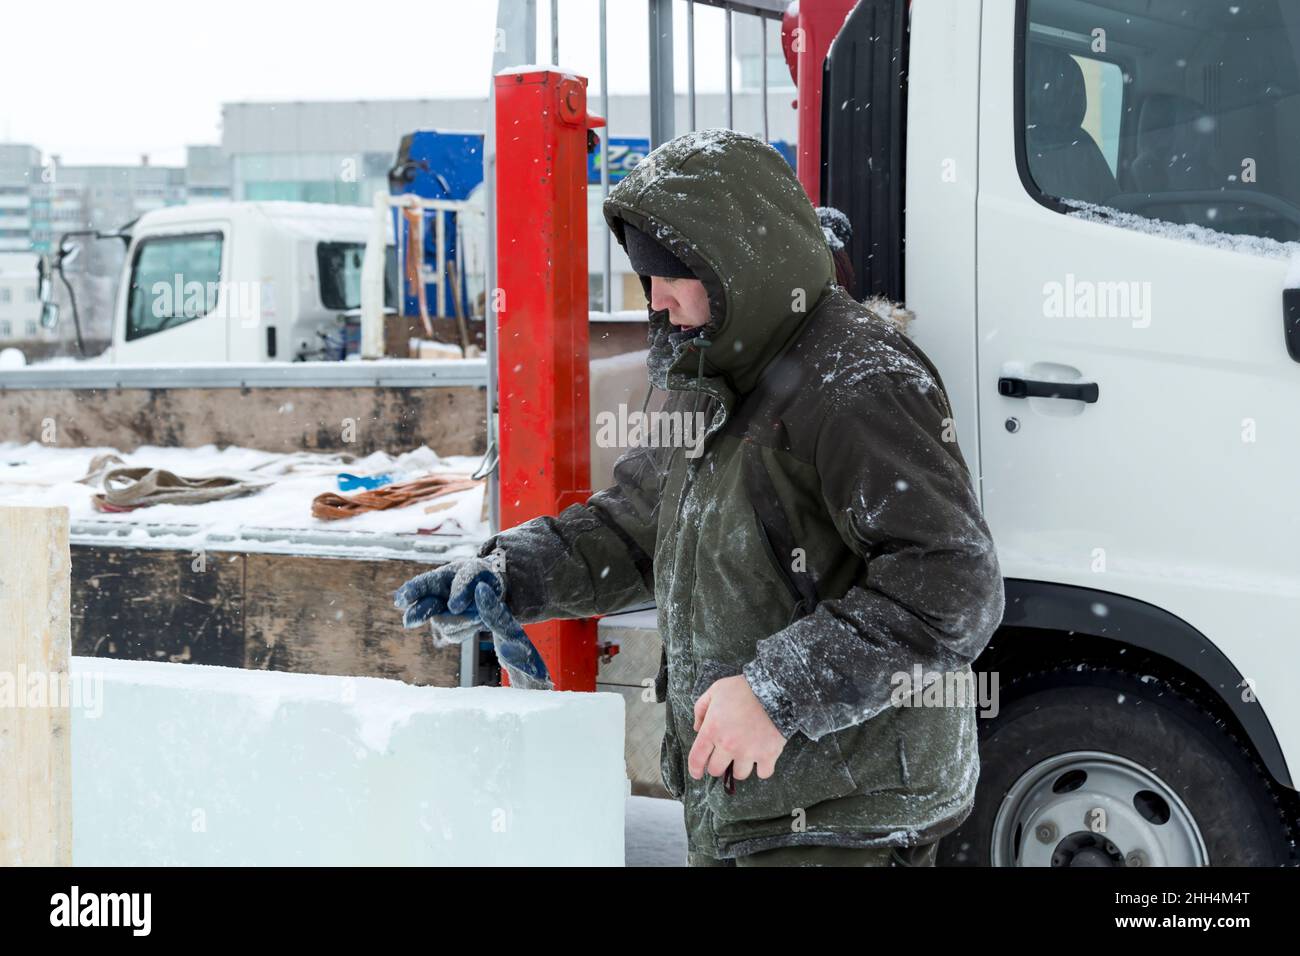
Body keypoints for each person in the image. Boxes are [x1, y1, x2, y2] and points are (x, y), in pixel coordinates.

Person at [394, 128, 1005, 867]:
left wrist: (782, 691)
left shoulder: (858, 382)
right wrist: (509, 573)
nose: (656, 298)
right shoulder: (711, 373)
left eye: (675, 274)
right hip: (747, 800)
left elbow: (952, 583)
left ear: (740, 264)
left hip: (842, 814)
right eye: (646, 274)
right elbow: (632, 530)